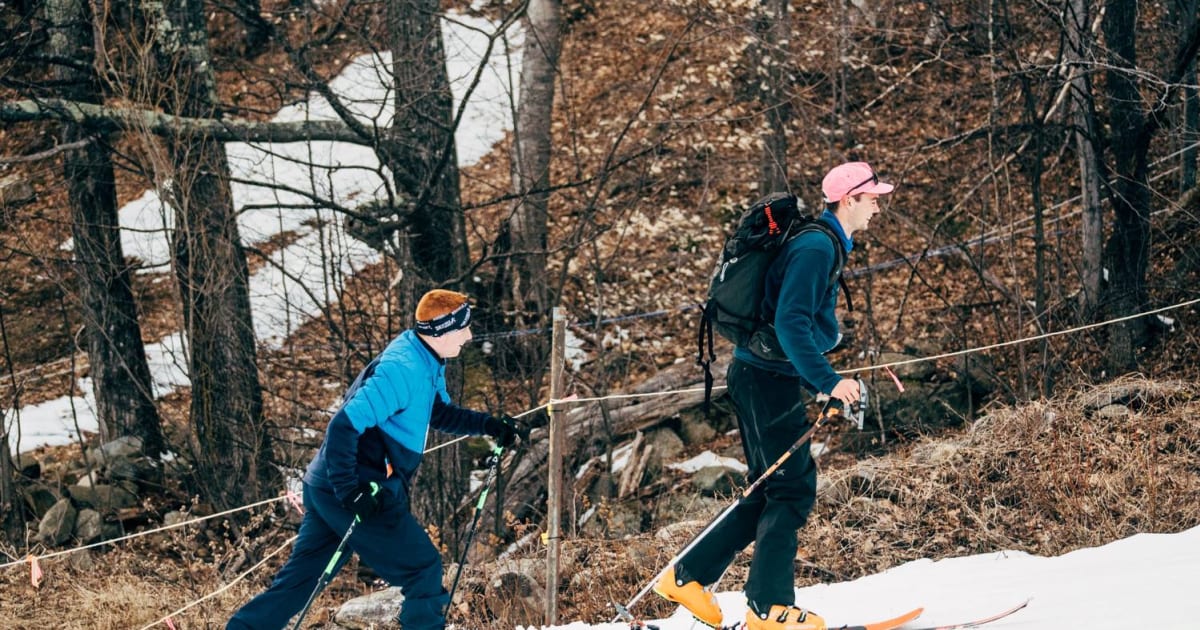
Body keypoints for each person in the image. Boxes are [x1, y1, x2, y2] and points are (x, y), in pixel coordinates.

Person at [654, 162, 894, 630]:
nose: (877, 207)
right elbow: (790, 324)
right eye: (872, 199)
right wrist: (828, 381)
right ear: (849, 200)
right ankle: (769, 608)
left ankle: (688, 578)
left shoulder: (820, 243)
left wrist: (818, 373)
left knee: (770, 487)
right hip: (764, 380)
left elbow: (793, 322)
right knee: (791, 488)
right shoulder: (815, 248)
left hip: (761, 376)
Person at [228, 289, 530, 630]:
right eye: (463, 328)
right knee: (422, 569)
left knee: (301, 582)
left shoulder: (425, 358)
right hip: (357, 488)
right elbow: (343, 425)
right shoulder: (402, 369)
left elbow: (438, 412)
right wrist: (350, 491)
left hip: (327, 486)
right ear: (441, 330)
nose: (469, 336)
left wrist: (489, 425)